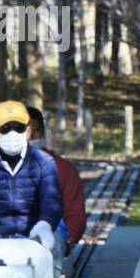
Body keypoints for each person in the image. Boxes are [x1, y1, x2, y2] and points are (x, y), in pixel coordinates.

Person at [0, 100, 63, 252]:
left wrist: (44, 224)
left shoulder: (44, 162)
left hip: (33, 236)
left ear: (28, 131)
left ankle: (54, 276)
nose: (12, 133)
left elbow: (52, 200)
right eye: (5, 128)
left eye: (18, 128)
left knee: (56, 240)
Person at [26, 105, 87, 247]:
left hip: (49, 243)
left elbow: (75, 216)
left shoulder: (64, 169)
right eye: (23, 131)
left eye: (36, 130)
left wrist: (66, 241)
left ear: (44, 133)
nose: (30, 137)